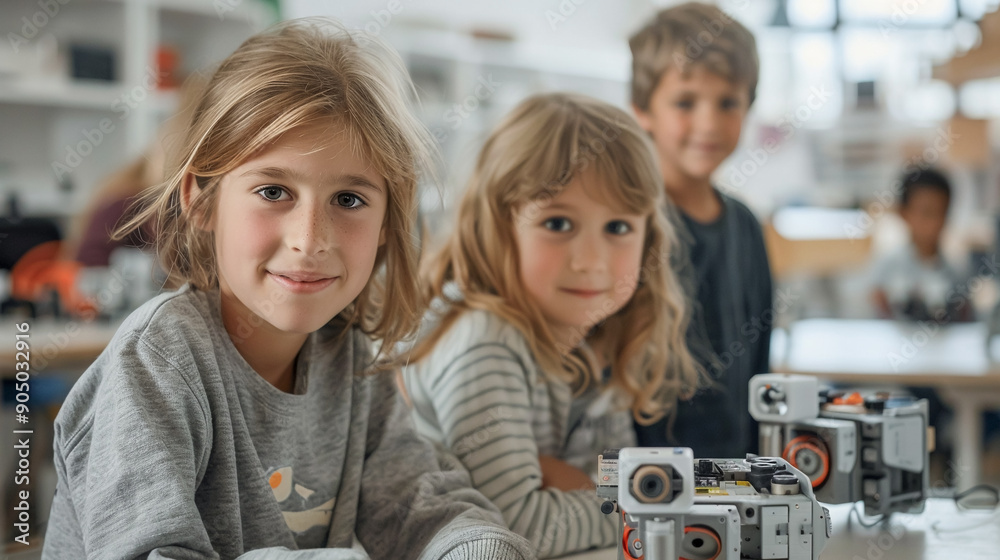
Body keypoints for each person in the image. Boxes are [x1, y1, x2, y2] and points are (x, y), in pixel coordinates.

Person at [42, 19, 531, 560]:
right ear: (202, 203)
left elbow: (419, 505)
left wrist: (480, 550)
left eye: (348, 200)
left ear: (389, 222)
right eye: (274, 190)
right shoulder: (157, 363)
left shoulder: (345, 352)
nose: (310, 240)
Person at [401, 93, 704, 558]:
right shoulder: (485, 343)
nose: (590, 261)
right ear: (499, 228)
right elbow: (520, 527)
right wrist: (647, 510)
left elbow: (613, 476)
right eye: (558, 223)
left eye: (619, 228)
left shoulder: (597, 334)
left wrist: (584, 488)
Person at [629, 2, 773, 457]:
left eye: (728, 102)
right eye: (685, 102)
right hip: (647, 480)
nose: (709, 123)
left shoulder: (745, 225)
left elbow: (759, 355)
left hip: (738, 475)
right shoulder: (626, 223)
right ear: (643, 110)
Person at [871, 167, 971, 323]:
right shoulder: (886, 268)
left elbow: (966, 323)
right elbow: (877, 318)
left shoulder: (957, 273)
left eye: (942, 212)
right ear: (903, 213)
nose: (935, 223)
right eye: (927, 213)